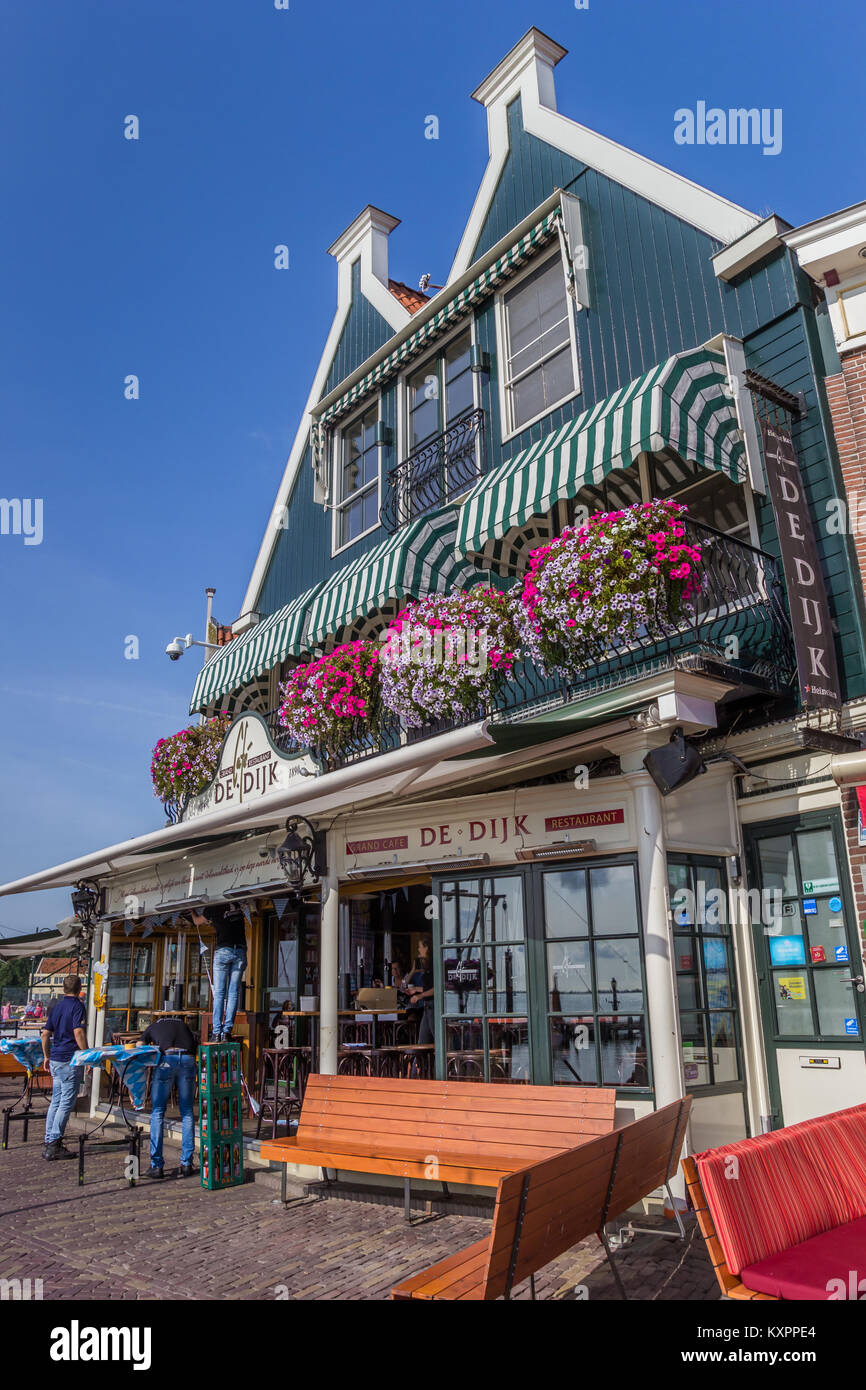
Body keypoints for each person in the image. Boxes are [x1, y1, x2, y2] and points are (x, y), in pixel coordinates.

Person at [139, 1014, 198, 1179]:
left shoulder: (153, 1026)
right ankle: (186, 1163)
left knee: (158, 1111)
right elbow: (195, 1044)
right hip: (187, 1059)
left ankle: (156, 1165)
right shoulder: (184, 1025)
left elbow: (139, 1044)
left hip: (166, 1059)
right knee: (187, 1112)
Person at [40, 975, 87, 1160]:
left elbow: (45, 1034)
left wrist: (46, 1055)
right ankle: (54, 1143)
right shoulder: (77, 1006)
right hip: (69, 1058)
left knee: (56, 1101)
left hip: (56, 1059)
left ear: (63, 989)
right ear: (79, 988)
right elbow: (78, 1032)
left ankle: (48, 1139)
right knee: (65, 1103)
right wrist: (87, 1055)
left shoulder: (57, 1007)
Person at [190, 904, 247, 1040]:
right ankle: (227, 1031)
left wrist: (191, 910)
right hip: (239, 950)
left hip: (223, 950)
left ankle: (216, 1032)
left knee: (220, 993)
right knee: (233, 992)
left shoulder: (212, 908)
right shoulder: (237, 905)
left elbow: (197, 921)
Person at [405, 938, 435, 1046]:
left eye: (420, 946)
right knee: (423, 1041)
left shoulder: (434, 965)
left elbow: (437, 989)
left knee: (437, 1038)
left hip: (433, 1006)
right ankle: (421, 1062)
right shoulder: (426, 966)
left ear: (426, 948)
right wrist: (416, 989)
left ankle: (445, 1062)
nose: (418, 949)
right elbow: (429, 987)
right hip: (427, 1007)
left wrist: (419, 996)